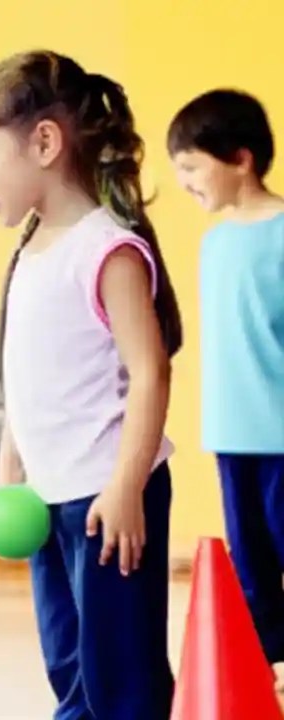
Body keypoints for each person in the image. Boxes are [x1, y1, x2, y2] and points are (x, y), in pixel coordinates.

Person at [0, 51, 184, 719]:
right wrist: (8, 468)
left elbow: (150, 372)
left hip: (106, 497)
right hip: (49, 499)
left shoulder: (103, 248)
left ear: (44, 143)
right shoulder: (30, 246)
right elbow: (25, 376)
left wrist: (125, 486)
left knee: (122, 677)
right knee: (69, 665)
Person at [168, 88, 284, 689]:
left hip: (280, 435)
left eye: (191, 165)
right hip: (232, 434)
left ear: (240, 158)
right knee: (251, 565)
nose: (184, 181)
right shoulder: (214, 242)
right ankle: (264, 669)